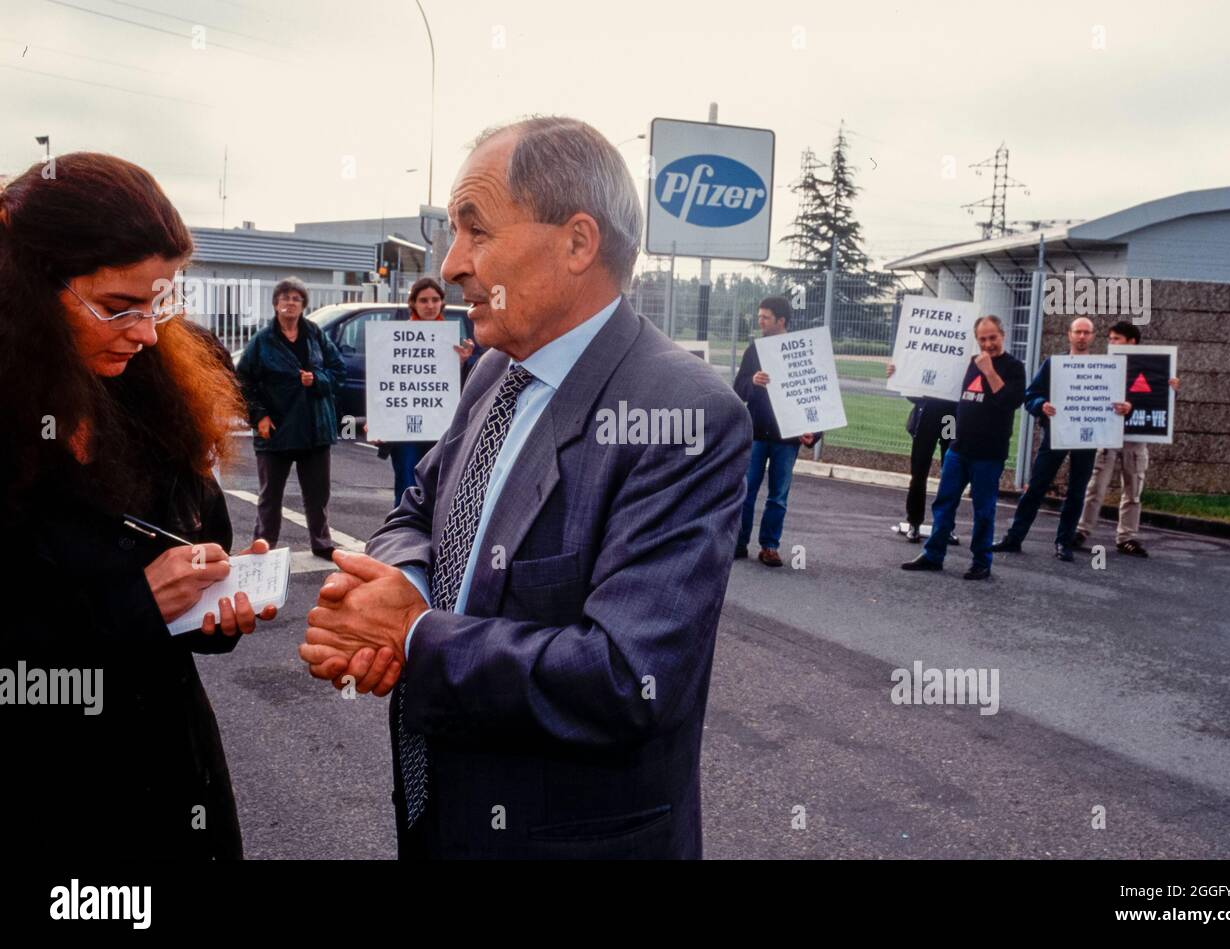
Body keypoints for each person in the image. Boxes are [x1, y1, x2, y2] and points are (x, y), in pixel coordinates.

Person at [298, 117, 751, 859]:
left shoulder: (684, 415)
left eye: (476, 231)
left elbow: (624, 676)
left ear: (577, 243)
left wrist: (412, 635)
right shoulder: (493, 370)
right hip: (439, 814)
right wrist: (397, 583)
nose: (450, 265)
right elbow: (421, 507)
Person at [0, 152, 276, 859]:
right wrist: (135, 604)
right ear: (25, 291)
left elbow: (191, 554)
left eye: (160, 301)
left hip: (172, 782)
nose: (149, 332)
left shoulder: (154, 397)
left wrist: (212, 604)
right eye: (119, 306)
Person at [990, 316, 1130, 562]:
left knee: (1076, 492)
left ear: (1093, 336)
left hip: (1087, 438)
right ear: (1069, 334)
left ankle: (1063, 542)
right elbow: (1030, 395)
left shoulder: (1105, 368)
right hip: (1056, 435)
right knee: (1036, 487)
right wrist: (1041, 405)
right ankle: (1014, 537)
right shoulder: (1053, 364)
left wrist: (1123, 408)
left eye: (1087, 333)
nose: (1082, 337)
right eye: (1078, 332)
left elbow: (1118, 402)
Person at [902, 315, 1026, 579]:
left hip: (989, 453)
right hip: (959, 448)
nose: (988, 343)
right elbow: (938, 393)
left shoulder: (1014, 367)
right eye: (982, 339)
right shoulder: (968, 364)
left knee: (983, 510)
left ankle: (981, 561)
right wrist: (902, 378)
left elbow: (1009, 401)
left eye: (992, 337)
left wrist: (989, 371)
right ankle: (933, 554)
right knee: (944, 503)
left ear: (1002, 334)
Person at [236, 277, 346, 558]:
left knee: (318, 494)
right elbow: (243, 381)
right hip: (275, 429)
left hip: (314, 428)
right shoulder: (262, 341)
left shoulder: (316, 335)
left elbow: (338, 372)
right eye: (285, 298)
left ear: (303, 305)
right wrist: (258, 415)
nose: (290, 303)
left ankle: (321, 542)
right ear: (275, 304)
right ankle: (264, 543)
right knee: (270, 496)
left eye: (296, 298)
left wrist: (317, 379)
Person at [1074, 320, 1180, 557]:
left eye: (1116, 339)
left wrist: (1171, 390)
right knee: (1095, 487)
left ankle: (1127, 537)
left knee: (1133, 490)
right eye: (1110, 338)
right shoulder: (1106, 366)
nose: (1111, 343)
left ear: (1131, 342)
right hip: (1109, 435)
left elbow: (1161, 405)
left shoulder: (1154, 368)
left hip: (1136, 438)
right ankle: (1081, 531)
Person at [732, 296, 817, 567]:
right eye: (760, 316)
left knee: (778, 496)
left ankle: (769, 546)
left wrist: (814, 433)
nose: (760, 321)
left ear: (782, 321)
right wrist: (752, 382)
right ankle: (738, 541)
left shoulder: (803, 351)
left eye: (765, 317)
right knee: (746, 490)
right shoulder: (754, 350)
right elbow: (738, 388)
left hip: (787, 438)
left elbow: (815, 393)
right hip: (757, 433)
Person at [380, 276, 475, 508]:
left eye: (435, 300)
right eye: (424, 300)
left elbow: (464, 391)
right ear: (413, 304)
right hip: (404, 431)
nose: (430, 306)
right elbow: (384, 383)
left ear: (442, 303)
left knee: (439, 487)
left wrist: (462, 364)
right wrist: (377, 421)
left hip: (439, 427)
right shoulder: (395, 339)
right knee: (406, 487)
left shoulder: (455, 342)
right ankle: (400, 539)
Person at [886, 362, 959, 543]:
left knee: (949, 471)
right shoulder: (925, 357)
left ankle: (946, 525)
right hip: (926, 415)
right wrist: (899, 375)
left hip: (949, 417)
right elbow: (912, 392)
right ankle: (914, 522)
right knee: (918, 472)